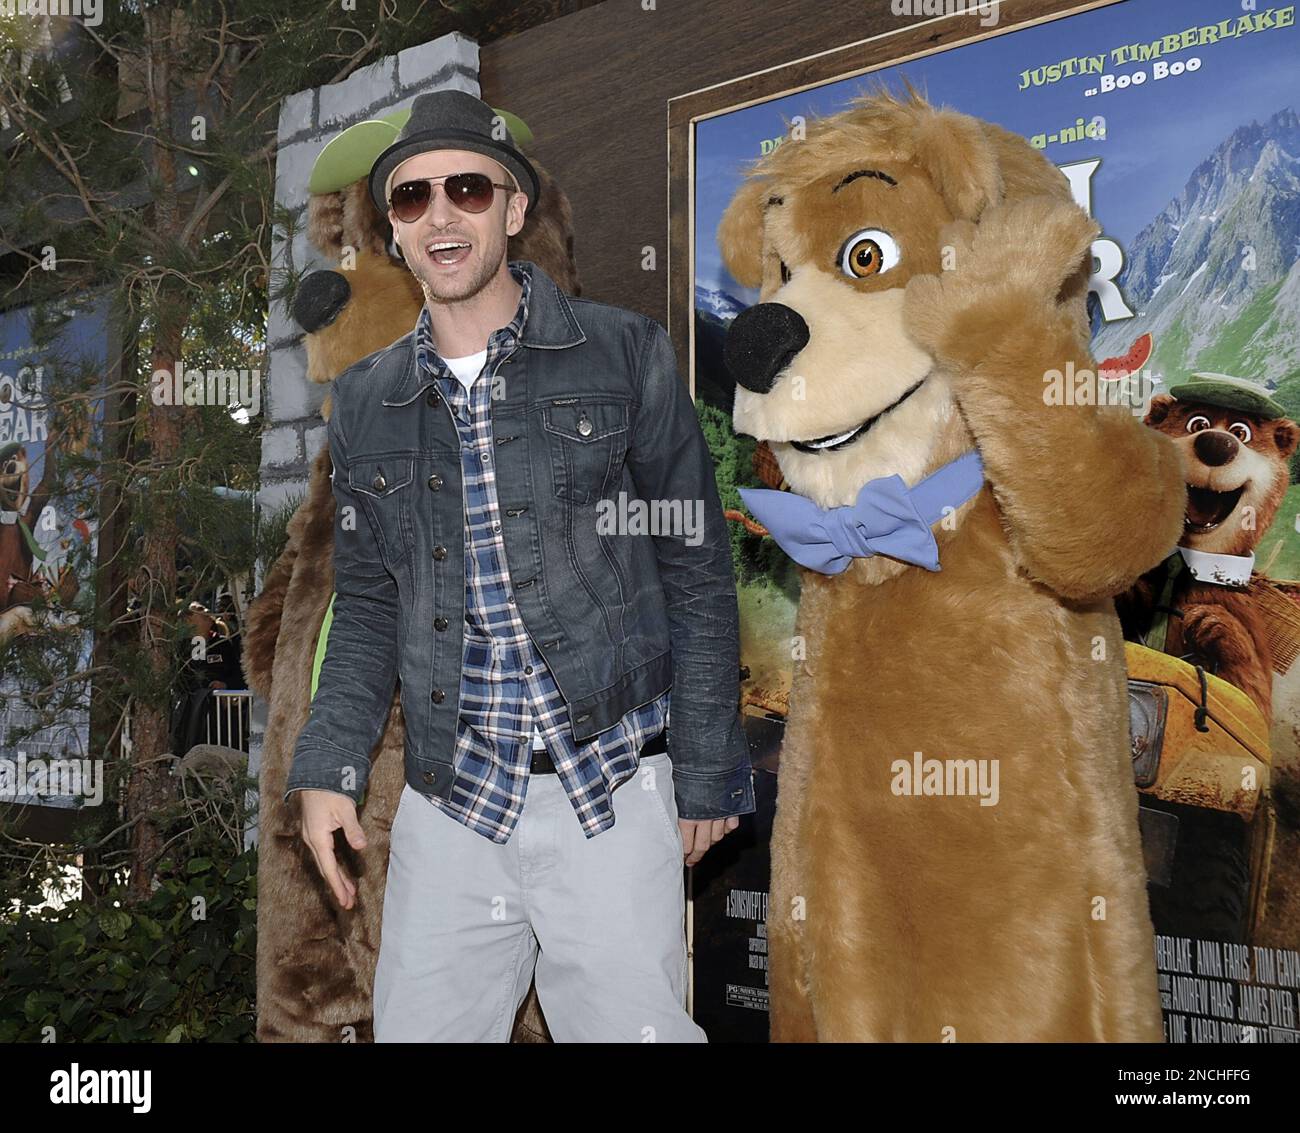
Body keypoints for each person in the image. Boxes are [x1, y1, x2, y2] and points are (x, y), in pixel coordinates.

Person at [284, 90, 755, 1043]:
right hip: (451, 800)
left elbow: (697, 567)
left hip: (611, 787)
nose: (440, 214)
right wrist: (329, 762)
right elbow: (368, 605)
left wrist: (707, 762)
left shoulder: (624, 354)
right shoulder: (369, 402)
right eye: (410, 199)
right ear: (395, 232)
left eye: (465, 186)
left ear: (514, 208)